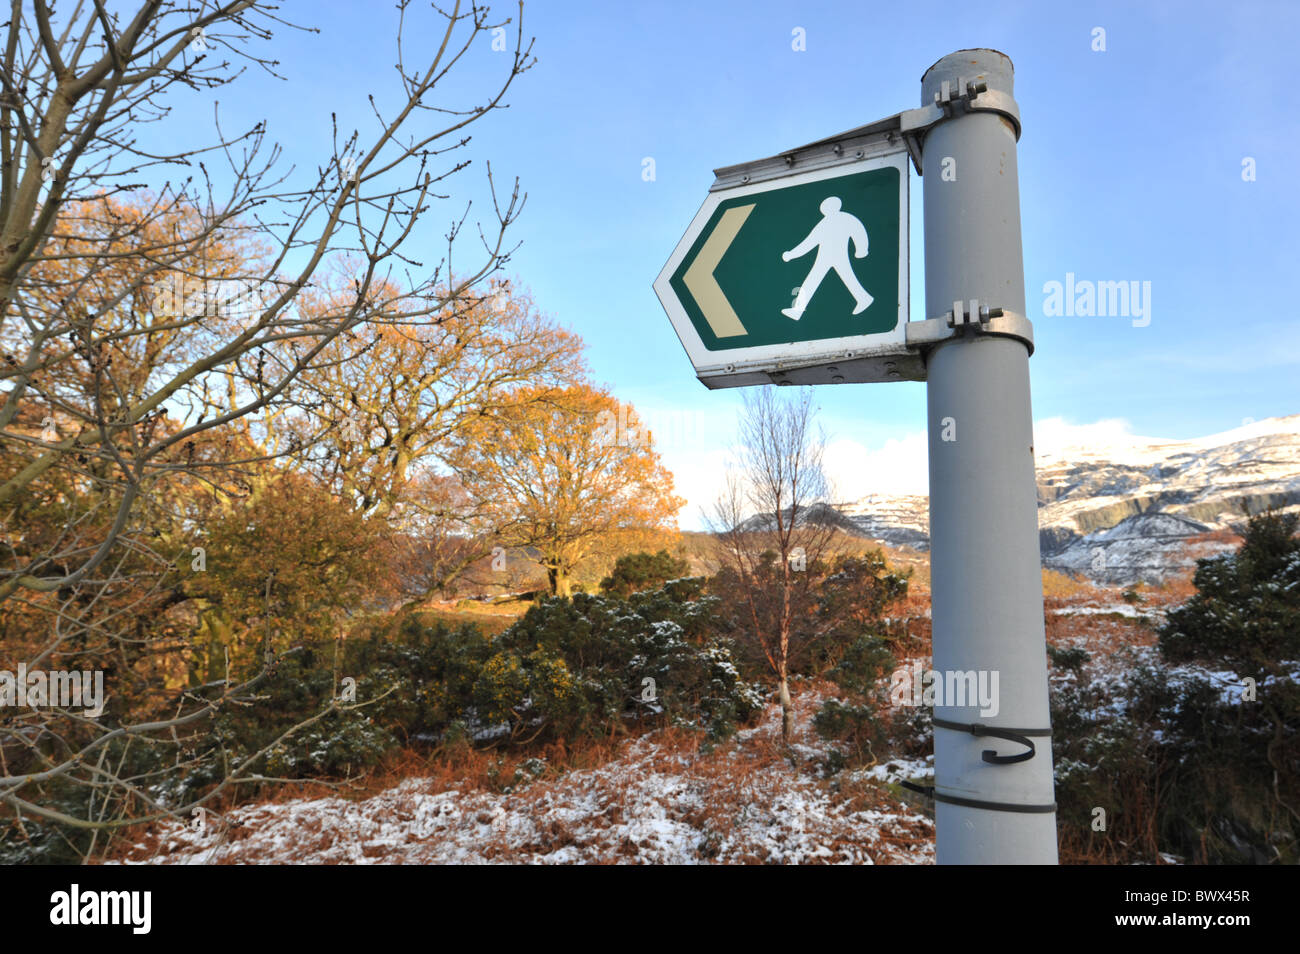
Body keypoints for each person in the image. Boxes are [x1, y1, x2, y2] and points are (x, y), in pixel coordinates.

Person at [781, 196, 873, 321]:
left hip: (837, 255)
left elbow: (858, 231)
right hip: (825, 257)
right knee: (814, 281)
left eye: (826, 207)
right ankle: (864, 298)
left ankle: (864, 299)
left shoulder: (844, 218)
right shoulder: (825, 222)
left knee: (843, 278)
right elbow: (809, 242)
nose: (824, 209)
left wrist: (862, 250)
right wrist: (791, 254)